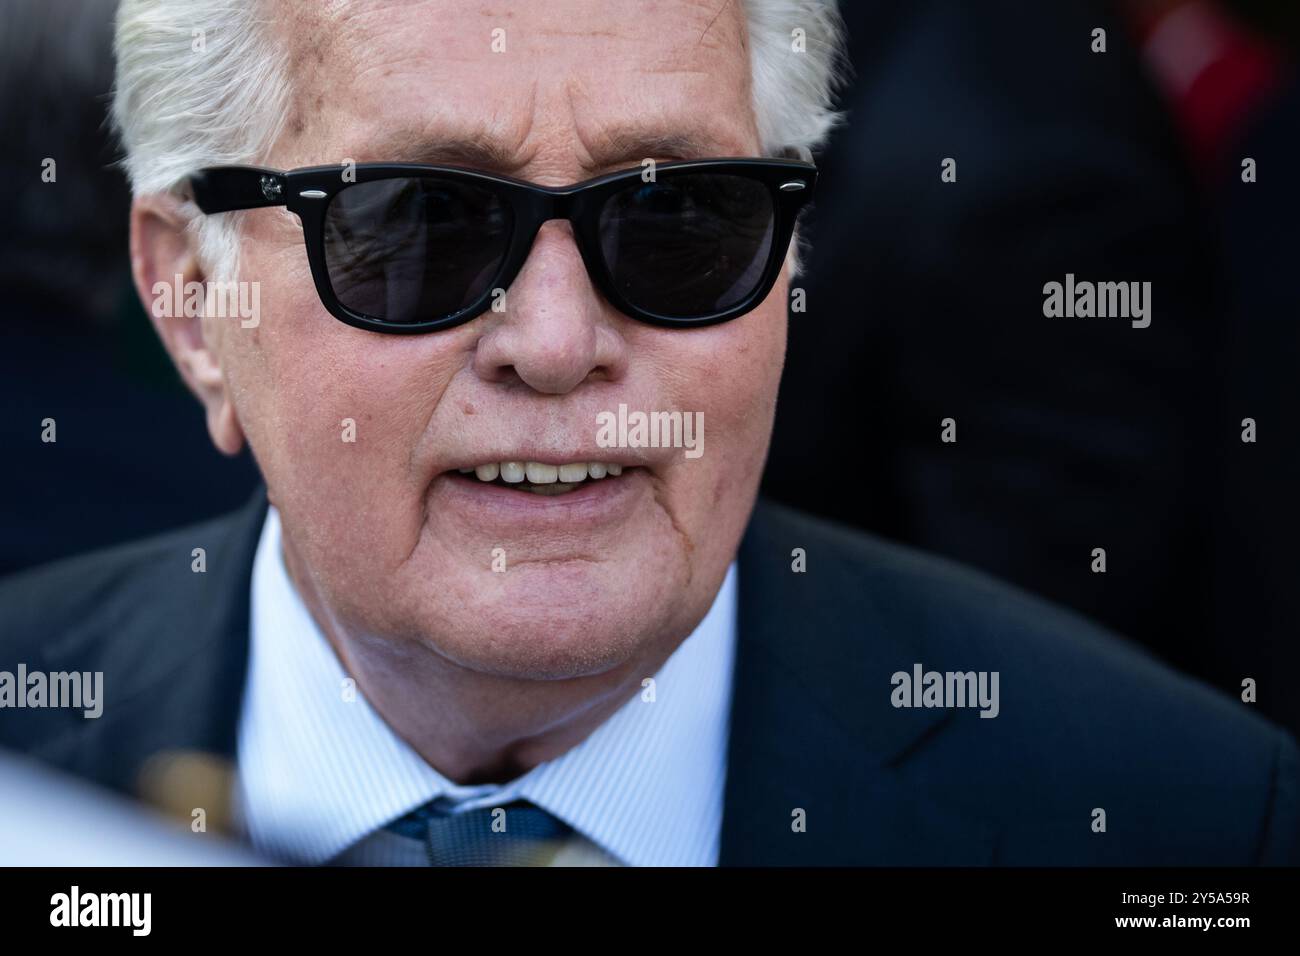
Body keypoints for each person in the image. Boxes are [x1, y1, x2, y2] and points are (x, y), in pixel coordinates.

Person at [0, 0, 1295, 866]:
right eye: (414, 230)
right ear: (189, 301)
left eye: (681, 225)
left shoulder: (1178, 817)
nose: (558, 343)